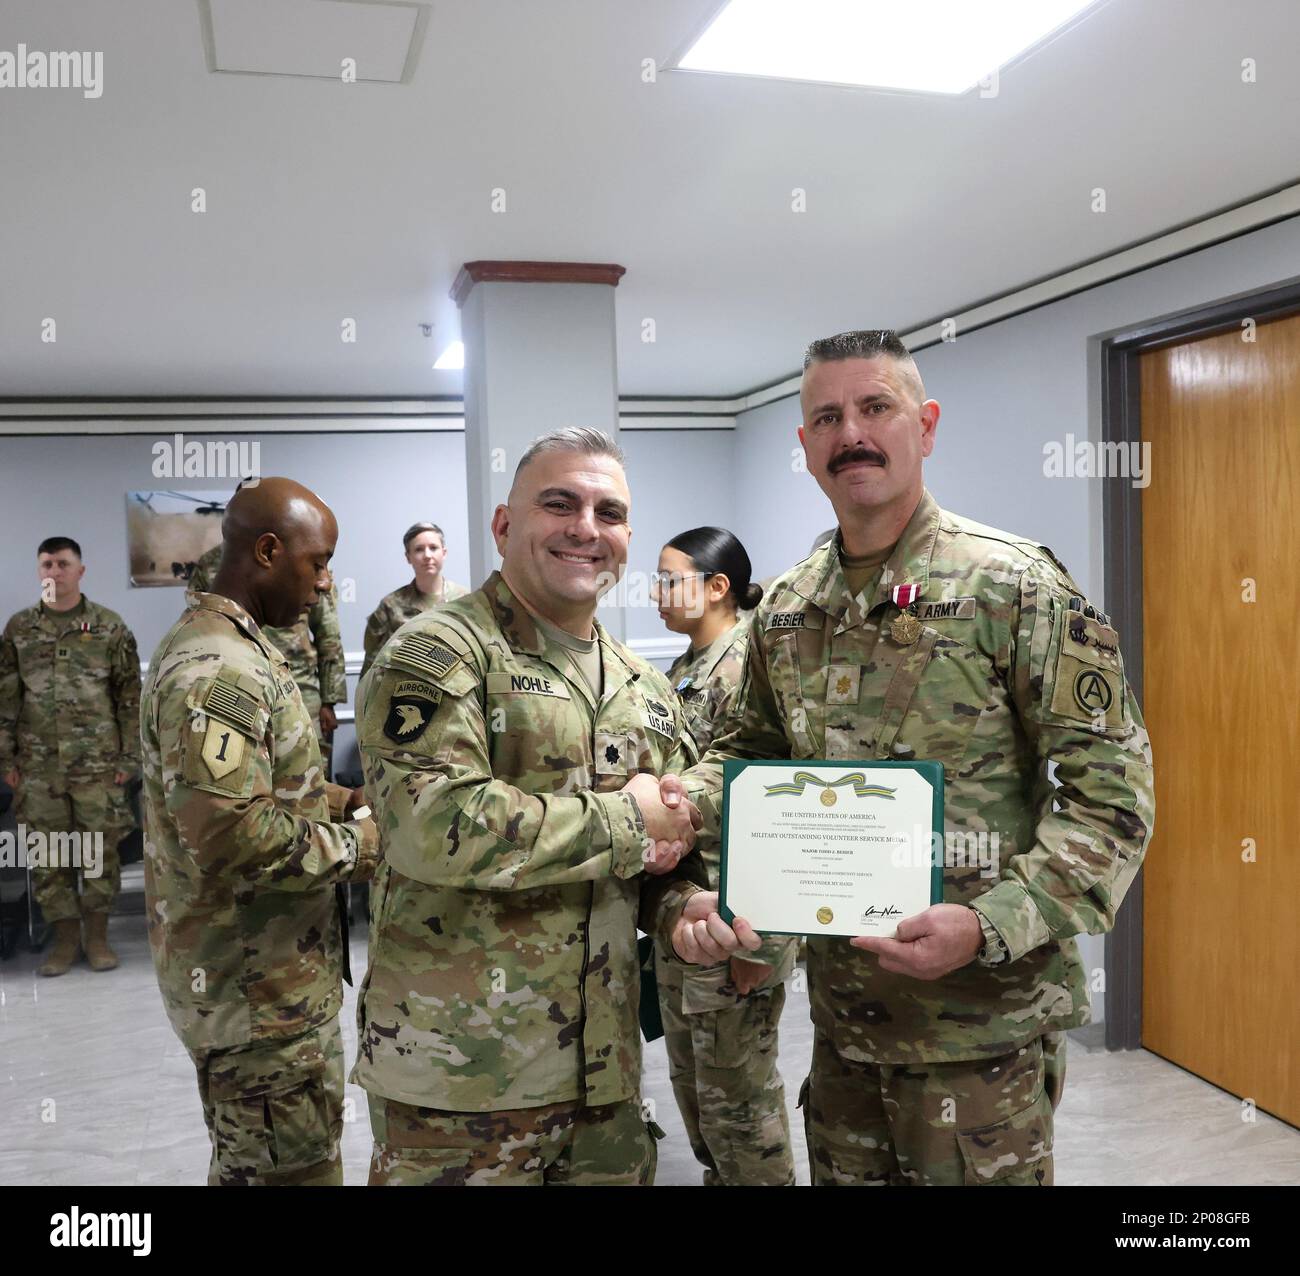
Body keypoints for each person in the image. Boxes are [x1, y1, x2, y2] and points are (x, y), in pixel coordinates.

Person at [677, 329, 1155, 1186]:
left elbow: (1113, 800)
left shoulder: (1014, 588)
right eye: (827, 416)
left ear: (925, 427)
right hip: (846, 1028)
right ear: (805, 447)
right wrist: (695, 837)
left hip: (981, 1035)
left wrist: (991, 923)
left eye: (875, 408)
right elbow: (750, 758)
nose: (850, 432)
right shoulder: (786, 608)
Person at [353, 427, 759, 1186]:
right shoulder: (437, 654)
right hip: (462, 1084)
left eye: (609, 513)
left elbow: (654, 861)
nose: (586, 528)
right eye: (559, 504)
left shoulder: (644, 688)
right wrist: (629, 821)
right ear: (506, 526)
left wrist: (686, 910)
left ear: (627, 538)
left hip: (604, 1080)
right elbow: (432, 826)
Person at [141, 477, 380, 1186]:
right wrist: (367, 847)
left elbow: (266, 785)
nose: (325, 583)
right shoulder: (221, 670)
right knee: (288, 1174)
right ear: (269, 551)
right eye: (318, 562)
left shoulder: (237, 647)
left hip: (267, 985)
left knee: (259, 1167)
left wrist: (348, 799)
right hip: (257, 998)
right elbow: (231, 834)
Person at [651, 526, 797, 1186]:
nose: (655, 592)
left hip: (737, 920)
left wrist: (764, 944)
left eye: (668, 578)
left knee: (739, 1101)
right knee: (699, 1089)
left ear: (716, 588)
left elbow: (779, 811)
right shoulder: (685, 669)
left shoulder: (746, 667)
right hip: (689, 913)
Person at [0, 537, 140, 976]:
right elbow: (5, 699)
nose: (54, 572)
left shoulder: (108, 627)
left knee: (98, 854)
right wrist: (7, 761)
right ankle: (64, 941)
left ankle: (97, 938)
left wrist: (128, 761)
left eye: (63, 564)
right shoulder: (19, 629)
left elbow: (130, 698)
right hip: (38, 769)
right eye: (47, 564)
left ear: (81, 571)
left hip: (99, 767)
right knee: (48, 856)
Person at [189, 538, 346, 775]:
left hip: (301, 685)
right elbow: (201, 622)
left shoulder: (305, 564)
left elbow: (328, 634)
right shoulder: (211, 563)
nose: (323, 582)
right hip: (234, 684)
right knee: (248, 770)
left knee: (308, 773)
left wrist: (329, 701)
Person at [360, 522, 469, 678]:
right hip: (404, 691)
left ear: (444, 553)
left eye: (433, 548)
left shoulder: (465, 601)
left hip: (457, 692)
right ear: (408, 557)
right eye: (419, 549)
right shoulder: (390, 606)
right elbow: (372, 664)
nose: (427, 555)